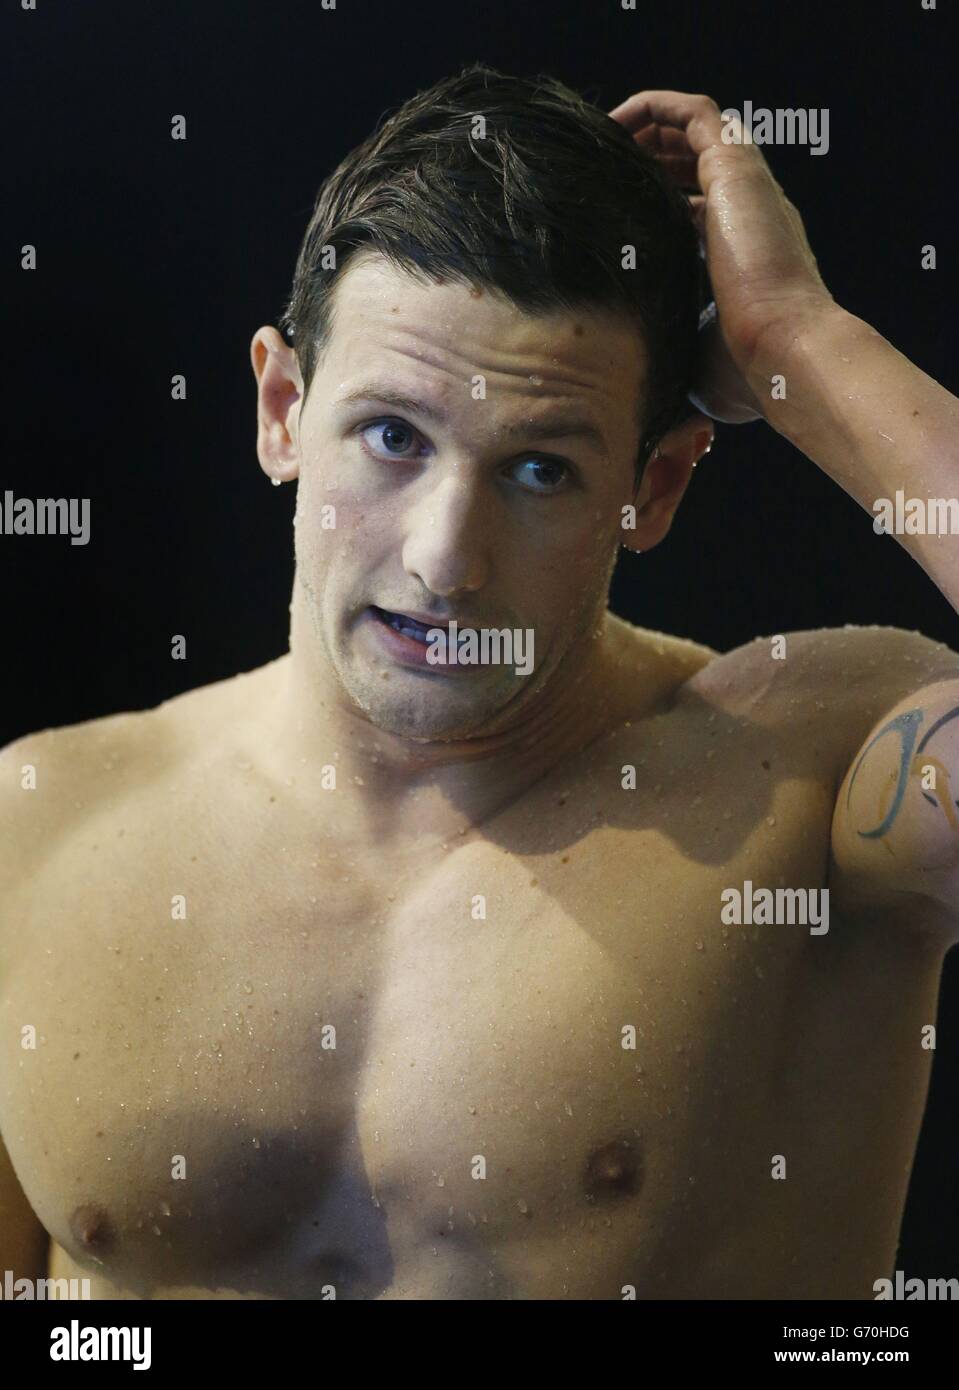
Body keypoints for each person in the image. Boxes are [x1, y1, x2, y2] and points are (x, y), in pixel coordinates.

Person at [2, 64, 958, 1301]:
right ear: (283, 409)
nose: (444, 559)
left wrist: (793, 340)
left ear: (653, 486)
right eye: (392, 437)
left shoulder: (814, 781)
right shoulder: (36, 822)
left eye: (539, 470)